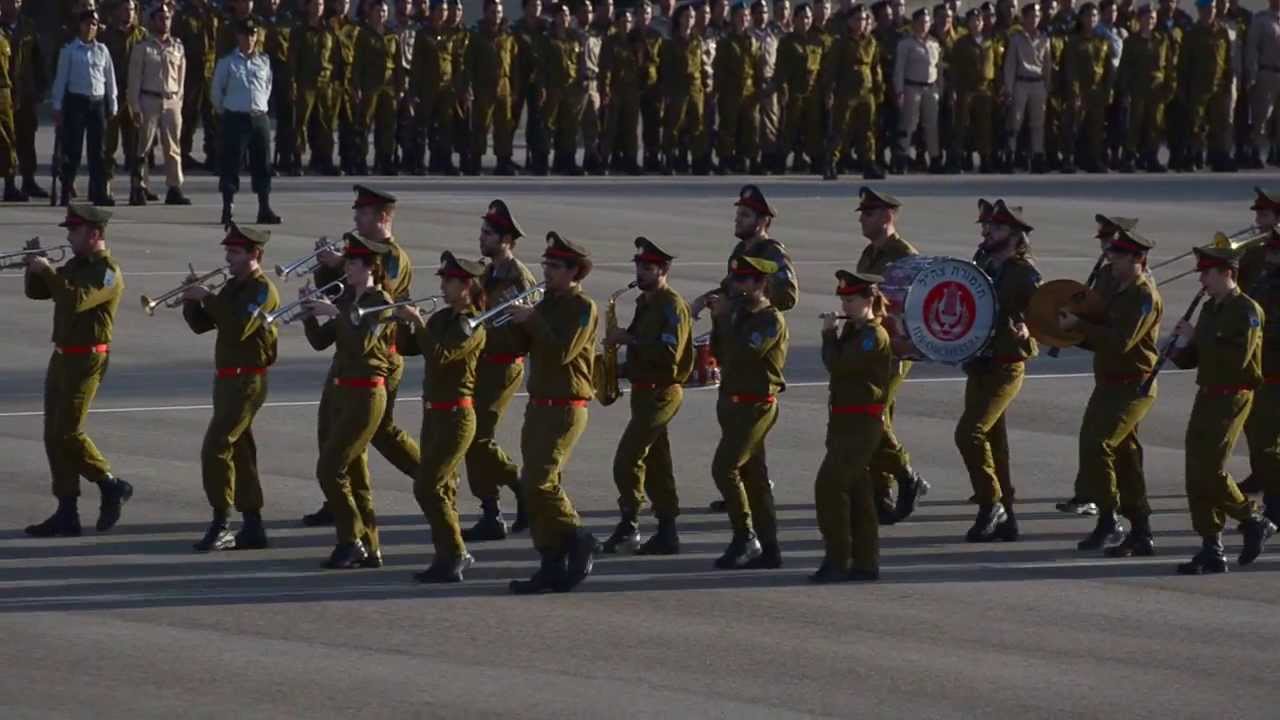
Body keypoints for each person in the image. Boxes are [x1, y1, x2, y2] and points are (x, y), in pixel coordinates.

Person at [304, 184, 421, 527]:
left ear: (383, 216)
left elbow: (381, 294)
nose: (356, 218)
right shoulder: (356, 253)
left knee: (379, 432)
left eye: (364, 213)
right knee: (331, 427)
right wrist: (325, 265)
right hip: (347, 347)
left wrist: (342, 262)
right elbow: (339, 293)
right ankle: (340, 498)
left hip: (379, 353)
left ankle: (433, 478)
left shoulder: (394, 256)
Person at [24, 204, 132, 538]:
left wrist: (48, 271)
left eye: (74, 231)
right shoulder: (75, 265)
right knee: (53, 435)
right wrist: (34, 267)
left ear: (95, 234)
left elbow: (74, 300)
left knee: (68, 432)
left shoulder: (107, 272)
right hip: (62, 356)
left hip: (87, 358)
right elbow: (39, 293)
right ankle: (66, 511)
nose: (69, 237)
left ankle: (110, 484)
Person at [1170, 245, 1276, 573]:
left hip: (1232, 396)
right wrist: (1179, 347)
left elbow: (1237, 359)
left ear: (1227, 273)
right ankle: (1211, 546)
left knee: (1210, 469)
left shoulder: (1247, 310)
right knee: (1195, 472)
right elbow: (1196, 359)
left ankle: (1252, 518)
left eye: (1207, 273)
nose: (1202, 280)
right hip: (1208, 393)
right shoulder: (1211, 308)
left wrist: (1198, 336)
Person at [504, 232, 600, 595]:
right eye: (546, 264)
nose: (547, 271)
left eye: (555, 266)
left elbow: (562, 351)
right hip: (539, 404)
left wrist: (531, 319)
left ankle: (577, 535)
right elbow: (524, 346)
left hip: (565, 407)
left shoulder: (583, 308)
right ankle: (550, 561)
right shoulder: (545, 304)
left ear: (575, 271)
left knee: (539, 482)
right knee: (536, 489)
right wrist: (511, 319)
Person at [1058, 226, 1163, 556]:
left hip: (1134, 385)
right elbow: (1097, 330)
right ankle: (1141, 530)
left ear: (1138, 259)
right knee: (1125, 457)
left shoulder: (1144, 296)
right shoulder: (1112, 285)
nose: (1111, 258)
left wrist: (1080, 326)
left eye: (1118, 255)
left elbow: (1120, 342)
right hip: (1108, 382)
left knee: (1098, 444)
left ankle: (1108, 519)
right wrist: (1069, 327)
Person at [181, 223, 280, 552]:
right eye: (228, 251)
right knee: (240, 450)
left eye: (235, 252)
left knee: (216, 447)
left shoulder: (262, 290)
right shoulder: (233, 286)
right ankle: (252, 524)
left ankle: (222, 522)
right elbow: (202, 326)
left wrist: (207, 297)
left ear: (255, 254)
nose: (228, 258)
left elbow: (238, 327)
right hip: (227, 379)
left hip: (247, 380)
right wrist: (191, 300)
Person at [301, 234, 397, 569]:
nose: (348, 268)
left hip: (366, 394)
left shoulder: (380, 301)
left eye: (354, 263)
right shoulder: (347, 299)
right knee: (355, 475)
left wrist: (335, 312)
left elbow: (363, 343)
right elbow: (320, 341)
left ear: (370, 267)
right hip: (342, 392)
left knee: (329, 469)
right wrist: (309, 312)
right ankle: (370, 546)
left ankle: (350, 540)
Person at [395, 251, 487, 583]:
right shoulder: (444, 317)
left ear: (467, 285)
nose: (442, 286)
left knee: (427, 486)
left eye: (449, 281)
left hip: (456, 416)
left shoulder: (470, 324)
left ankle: (456, 552)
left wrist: (419, 323)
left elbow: (439, 356)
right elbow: (409, 348)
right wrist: (402, 319)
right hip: (434, 413)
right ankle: (446, 556)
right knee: (442, 489)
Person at [599, 237, 695, 555]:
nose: (640, 272)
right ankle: (668, 531)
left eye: (648, 268)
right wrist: (616, 369)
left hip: (661, 392)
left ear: (664, 270)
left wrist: (629, 339)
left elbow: (668, 356)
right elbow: (643, 353)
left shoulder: (672, 306)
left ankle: (630, 524)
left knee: (627, 459)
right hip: (643, 391)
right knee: (656, 462)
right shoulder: (645, 302)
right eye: (639, 266)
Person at [956, 199, 1041, 542]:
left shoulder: (1024, 273)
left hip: (1006, 365)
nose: (988, 231)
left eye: (997, 227)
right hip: (980, 362)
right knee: (993, 442)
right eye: (988, 226)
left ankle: (990, 505)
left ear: (1015, 236)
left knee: (969, 433)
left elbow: (1043, 315)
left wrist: (1028, 332)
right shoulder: (982, 261)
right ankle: (1007, 519)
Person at [707, 254, 790, 569]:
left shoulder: (770, 319)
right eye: (735, 280)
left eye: (744, 280)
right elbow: (719, 352)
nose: (737, 287)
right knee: (754, 477)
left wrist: (725, 319)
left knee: (724, 468)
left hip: (756, 406)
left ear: (761, 283)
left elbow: (744, 353)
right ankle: (770, 547)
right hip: (734, 403)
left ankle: (745, 536)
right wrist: (719, 319)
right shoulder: (739, 315)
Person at [812, 270, 895, 582]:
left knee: (829, 487)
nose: (845, 306)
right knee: (859, 492)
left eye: (851, 300)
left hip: (861, 423)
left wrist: (828, 335)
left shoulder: (873, 335)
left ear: (868, 300)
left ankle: (837, 559)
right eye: (844, 300)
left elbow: (838, 365)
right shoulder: (856, 331)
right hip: (844, 420)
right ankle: (865, 561)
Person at [854, 186, 928, 523]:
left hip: (893, 348)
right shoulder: (870, 253)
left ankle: (906, 476)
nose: (862, 219)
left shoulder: (905, 256)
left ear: (887, 215)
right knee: (877, 418)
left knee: (871, 416)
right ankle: (881, 493)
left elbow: (917, 305)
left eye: (869, 213)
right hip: (871, 344)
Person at [462, 200, 534, 541]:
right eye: (482, 231)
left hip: (503, 365)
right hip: (480, 362)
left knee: (479, 437)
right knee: (472, 439)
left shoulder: (519, 277)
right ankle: (490, 511)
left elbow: (529, 328)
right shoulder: (486, 273)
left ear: (506, 240)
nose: (481, 238)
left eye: (488, 233)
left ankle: (521, 488)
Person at [211, 18, 281, 226]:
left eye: (253, 34)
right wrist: (227, 110)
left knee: (263, 165)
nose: (249, 39)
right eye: (245, 34)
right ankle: (228, 208)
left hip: (259, 118)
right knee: (231, 164)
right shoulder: (227, 62)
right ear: (238, 36)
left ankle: (264, 208)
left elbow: (267, 86)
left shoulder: (264, 61)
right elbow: (216, 92)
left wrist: (259, 106)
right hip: (236, 118)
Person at [51, 8, 118, 206]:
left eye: (94, 24)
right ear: (80, 26)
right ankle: (66, 189)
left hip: (97, 103)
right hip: (76, 103)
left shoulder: (102, 50)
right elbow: (61, 80)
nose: (90, 28)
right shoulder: (69, 51)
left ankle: (99, 192)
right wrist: (57, 106)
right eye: (87, 24)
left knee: (98, 152)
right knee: (73, 149)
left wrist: (113, 103)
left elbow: (110, 79)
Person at [127, 1, 191, 206]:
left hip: (171, 100)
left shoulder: (177, 46)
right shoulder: (143, 47)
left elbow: (181, 78)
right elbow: (134, 80)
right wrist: (135, 106)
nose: (165, 22)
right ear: (152, 21)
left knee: (173, 147)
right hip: (149, 99)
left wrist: (178, 101)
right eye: (161, 18)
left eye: (168, 18)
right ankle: (140, 186)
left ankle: (174, 187)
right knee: (144, 147)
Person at [821, 4, 886, 180]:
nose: (861, 23)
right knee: (840, 128)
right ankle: (831, 163)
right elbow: (831, 69)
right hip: (846, 91)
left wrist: (879, 89)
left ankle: (868, 163)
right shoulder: (840, 41)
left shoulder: (871, 41)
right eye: (857, 19)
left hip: (866, 91)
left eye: (864, 19)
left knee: (867, 129)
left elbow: (876, 67)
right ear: (849, 21)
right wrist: (829, 90)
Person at [2, 0, 51, 201]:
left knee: (27, 137)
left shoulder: (28, 27)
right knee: (7, 139)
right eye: (8, 1)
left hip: (26, 92)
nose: (12, 5)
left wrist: (41, 86)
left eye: (16, 1)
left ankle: (28, 180)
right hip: (4, 92)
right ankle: (9, 183)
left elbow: (38, 59)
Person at [1116, 4, 1173, 173]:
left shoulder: (1162, 40)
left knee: (1155, 124)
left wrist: (1169, 87)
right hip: (1137, 88)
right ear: (1139, 19)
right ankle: (1129, 158)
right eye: (1146, 18)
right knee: (1134, 124)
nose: (1150, 21)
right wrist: (1125, 90)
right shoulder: (1130, 41)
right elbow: (1124, 67)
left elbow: (1169, 66)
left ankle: (1152, 158)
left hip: (1157, 88)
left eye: (1153, 18)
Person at [466, 0, 519, 175]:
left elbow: (514, 62)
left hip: (504, 85)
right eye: (493, 12)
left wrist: (515, 87)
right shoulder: (477, 36)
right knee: (481, 124)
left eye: (499, 12)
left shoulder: (508, 36)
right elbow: (469, 63)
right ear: (485, 13)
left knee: (504, 124)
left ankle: (503, 161)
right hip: (483, 85)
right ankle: (475, 161)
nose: (496, 16)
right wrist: (469, 85)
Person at [1002, 3, 1053, 173]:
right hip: (1021, 82)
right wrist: (1008, 88)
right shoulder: (1016, 39)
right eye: (1031, 16)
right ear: (1024, 18)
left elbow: (1047, 65)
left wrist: (1047, 86)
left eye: (1037, 16)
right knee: (1015, 121)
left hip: (1038, 83)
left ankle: (1037, 156)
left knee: (1038, 123)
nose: (1034, 20)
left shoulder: (1044, 38)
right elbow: (1010, 65)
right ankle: (1010, 155)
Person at [892, 8, 943, 173]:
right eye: (920, 22)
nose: (924, 25)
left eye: (926, 22)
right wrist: (899, 91)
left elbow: (938, 68)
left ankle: (935, 158)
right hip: (911, 88)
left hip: (930, 88)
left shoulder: (934, 43)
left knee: (932, 125)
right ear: (913, 24)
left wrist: (940, 89)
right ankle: (902, 158)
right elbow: (899, 69)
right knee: (908, 125)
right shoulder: (905, 44)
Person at [1244, 0, 1280, 169]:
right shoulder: (1261, 20)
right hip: (1267, 73)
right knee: (1262, 116)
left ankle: (1277, 152)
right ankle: (1257, 151)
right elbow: (1252, 48)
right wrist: (1252, 74)